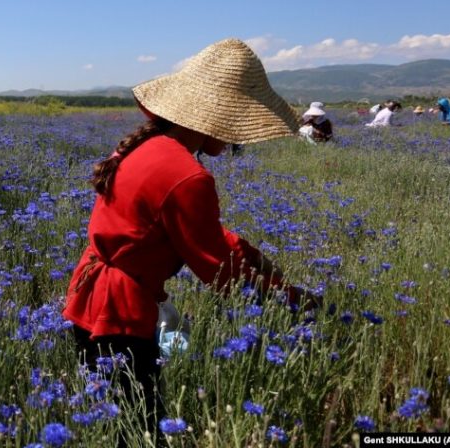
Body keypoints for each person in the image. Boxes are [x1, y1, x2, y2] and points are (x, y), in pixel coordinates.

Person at [63, 38, 317, 442]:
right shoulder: (187, 175)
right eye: (236, 123)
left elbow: (195, 234)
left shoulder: (148, 147)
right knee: (140, 430)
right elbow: (219, 272)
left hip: (89, 299)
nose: (239, 139)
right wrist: (290, 298)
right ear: (214, 117)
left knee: (111, 423)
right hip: (121, 314)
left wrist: (250, 252)